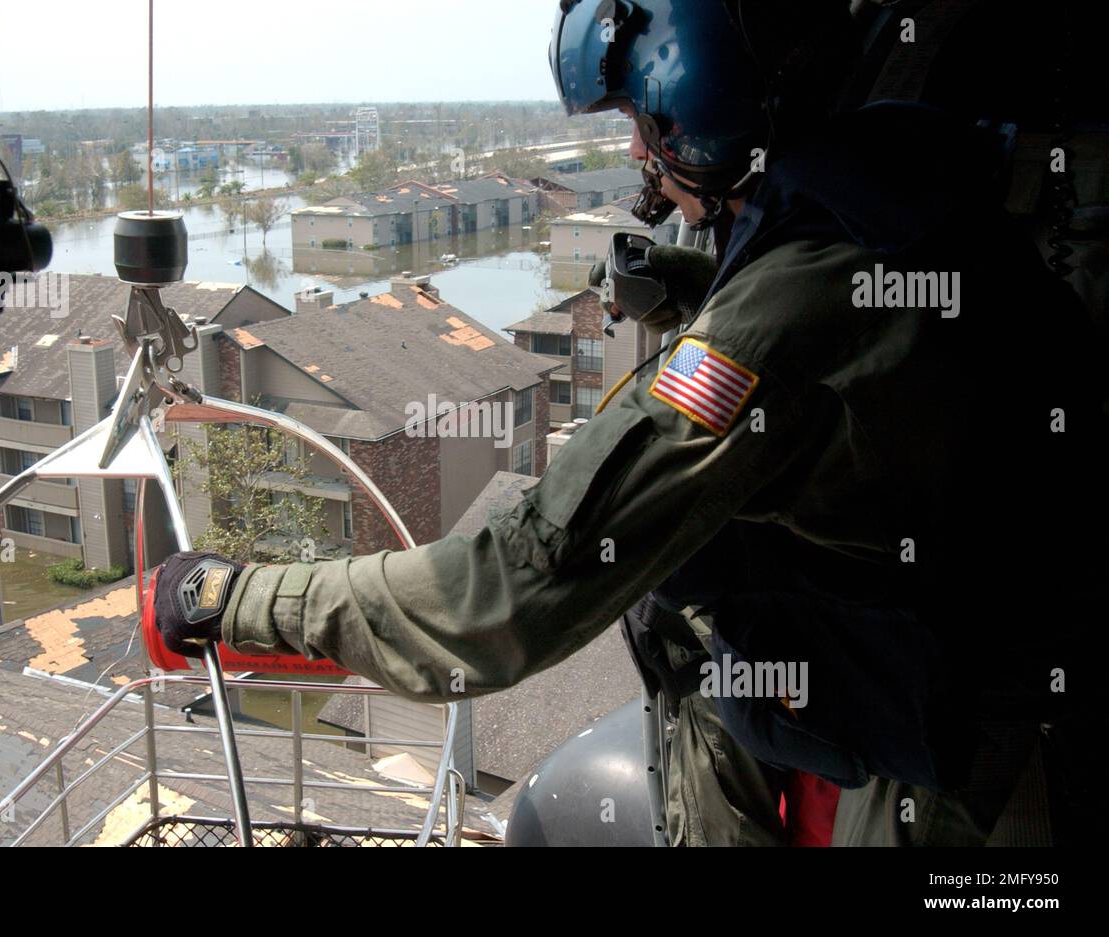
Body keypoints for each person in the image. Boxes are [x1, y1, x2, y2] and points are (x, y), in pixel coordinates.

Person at [154, 0, 1108, 845]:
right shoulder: (893, 175)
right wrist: (690, 289)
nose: (640, 156)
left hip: (986, 747)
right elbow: (839, 344)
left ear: (701, 110)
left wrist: (228, 598)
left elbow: (510, 588)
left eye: (643, 125)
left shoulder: (792, 294)